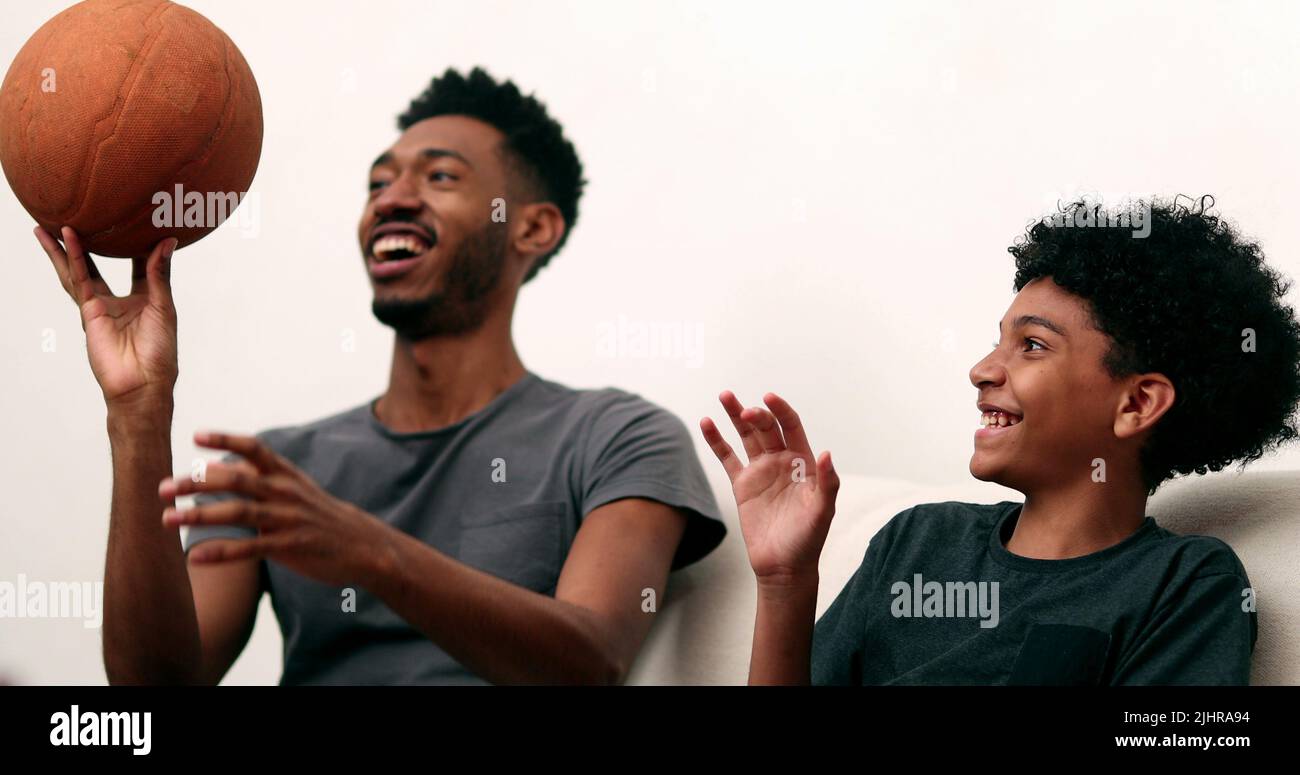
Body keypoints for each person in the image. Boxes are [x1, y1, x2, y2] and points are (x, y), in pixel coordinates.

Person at [38, 66, 724, 685]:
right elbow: (153, 692)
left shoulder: (621, 437)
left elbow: (592, 660)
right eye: (378, 182)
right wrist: (138, 409)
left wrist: (372, 553)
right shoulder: (276, 471)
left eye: (441, 176)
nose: (391, 199)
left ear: (533, 228)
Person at [701, 197, 1299, 685]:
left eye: (1032, 345)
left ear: (1137, 403)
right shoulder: (916, 542)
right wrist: (785, 581)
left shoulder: (1185, 584)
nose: (983, 369)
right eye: (998, 340)